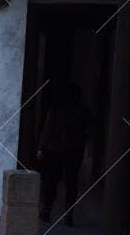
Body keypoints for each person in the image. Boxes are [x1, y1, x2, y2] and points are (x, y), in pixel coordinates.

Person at [37, 83, 92, 225]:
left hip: (55, 149)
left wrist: (41, 148)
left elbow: (47, 129)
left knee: (52, 181)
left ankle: (46, 210)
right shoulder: (82, 111)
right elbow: (87, 132)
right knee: (71, 183)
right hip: (74, 151)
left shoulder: (56, 109)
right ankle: (68, 214)